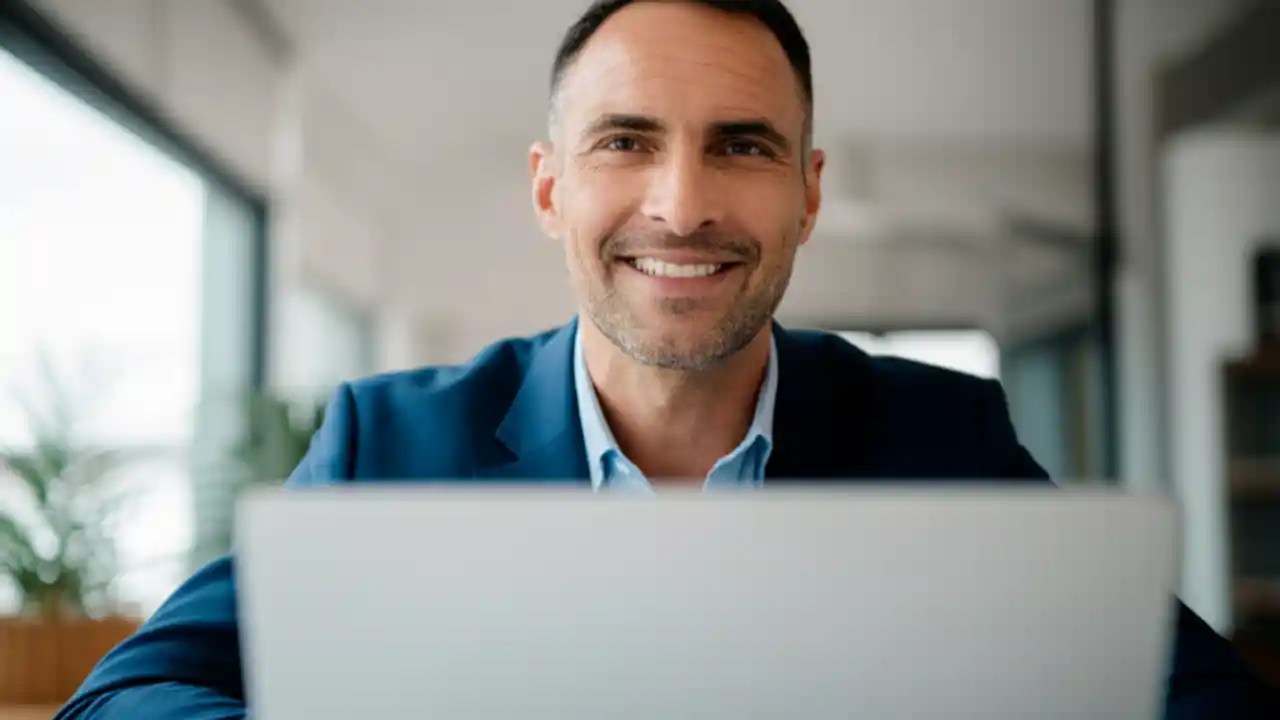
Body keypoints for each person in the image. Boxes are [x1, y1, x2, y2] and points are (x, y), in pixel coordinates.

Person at [57, 1, 1274, 718]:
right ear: (550, 188)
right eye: (626, 141)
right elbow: (118, 701)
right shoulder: (392, 440)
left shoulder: (941, 434)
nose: (680, 206)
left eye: (740, 147)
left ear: (805, 195)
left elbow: (1198, 699)